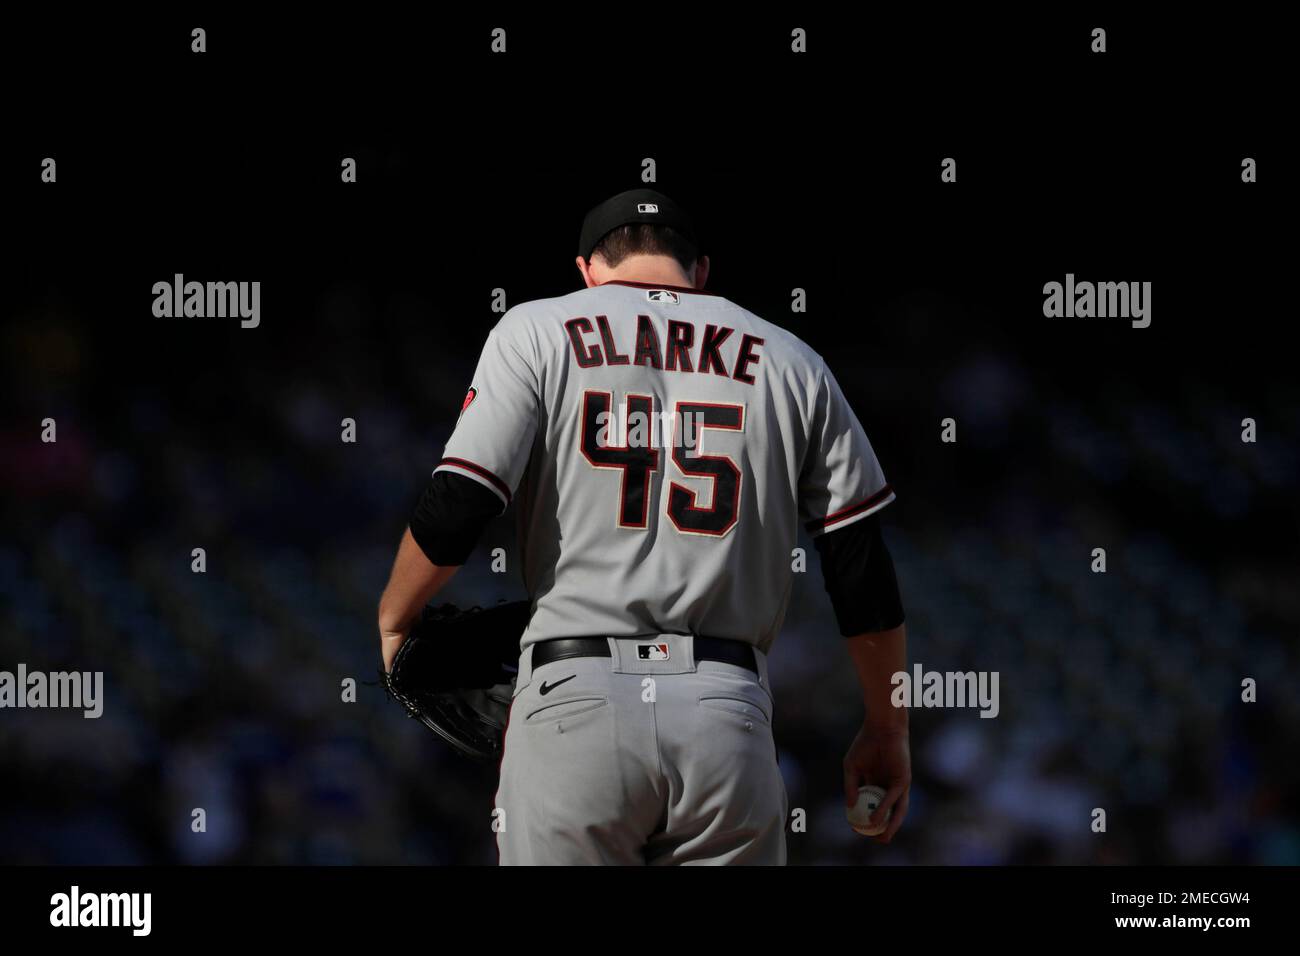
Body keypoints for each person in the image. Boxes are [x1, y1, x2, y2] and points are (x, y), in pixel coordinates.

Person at [377, 188, 910, 864]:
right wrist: (887, 726)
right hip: (728, 712)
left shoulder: (537, 328)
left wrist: (397, 619)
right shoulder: (793, 360)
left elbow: (461, 500)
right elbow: (859, 564)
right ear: (702, 272)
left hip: (576, 699)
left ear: (587, 270)